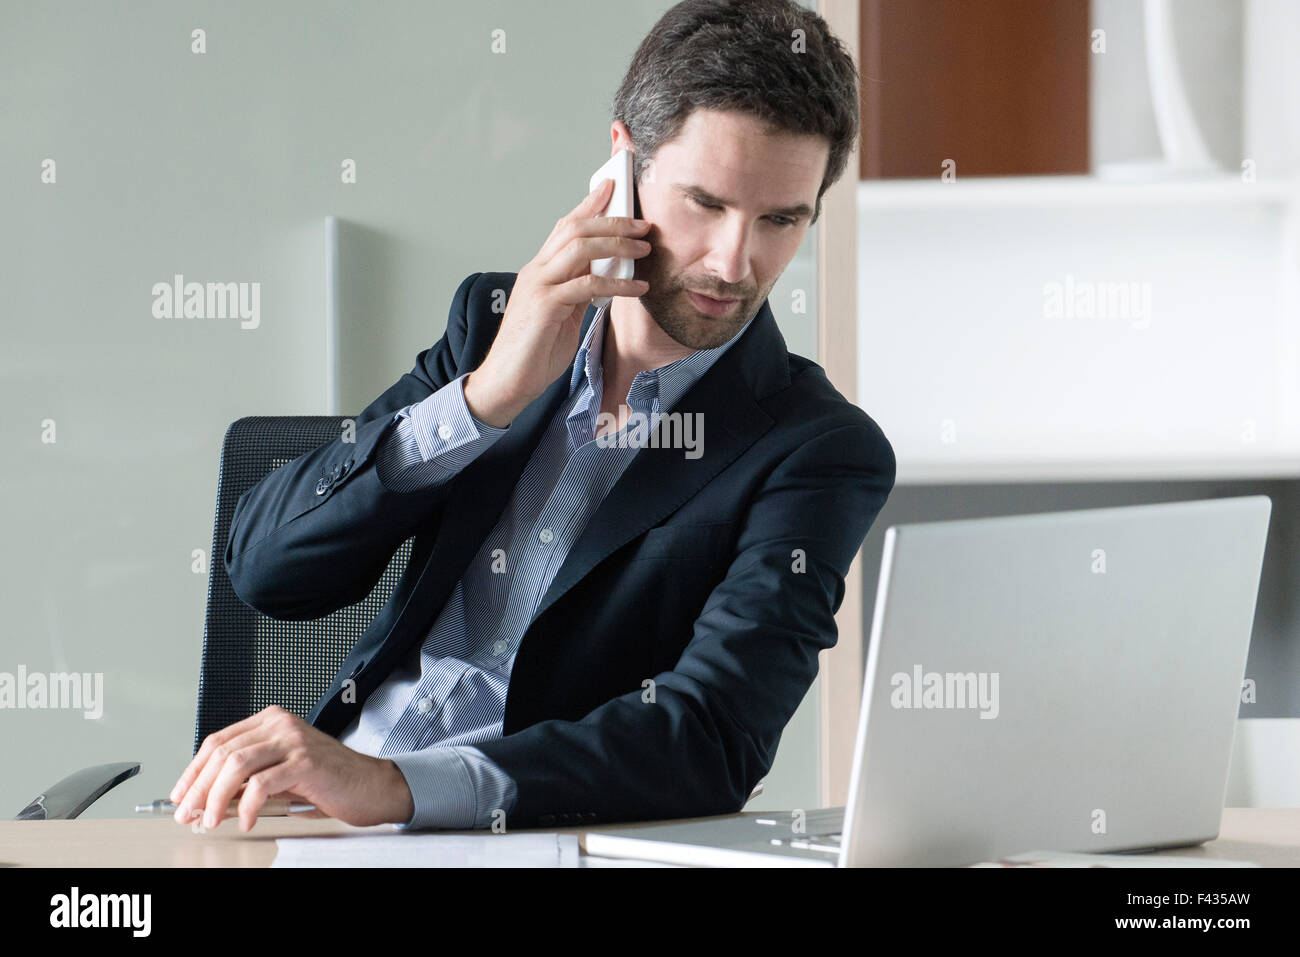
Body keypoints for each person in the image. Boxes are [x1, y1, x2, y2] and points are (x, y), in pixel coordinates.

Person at [170, 0, 895, 833]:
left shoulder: (817, 450)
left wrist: (393, 786)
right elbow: (266, 571)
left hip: (523, 832)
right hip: (311, 824)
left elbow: (711, 740)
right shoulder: (491, 321)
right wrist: (484, 400)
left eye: (780, 219)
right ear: (620, 168)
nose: (735, 262)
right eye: (705, 203)